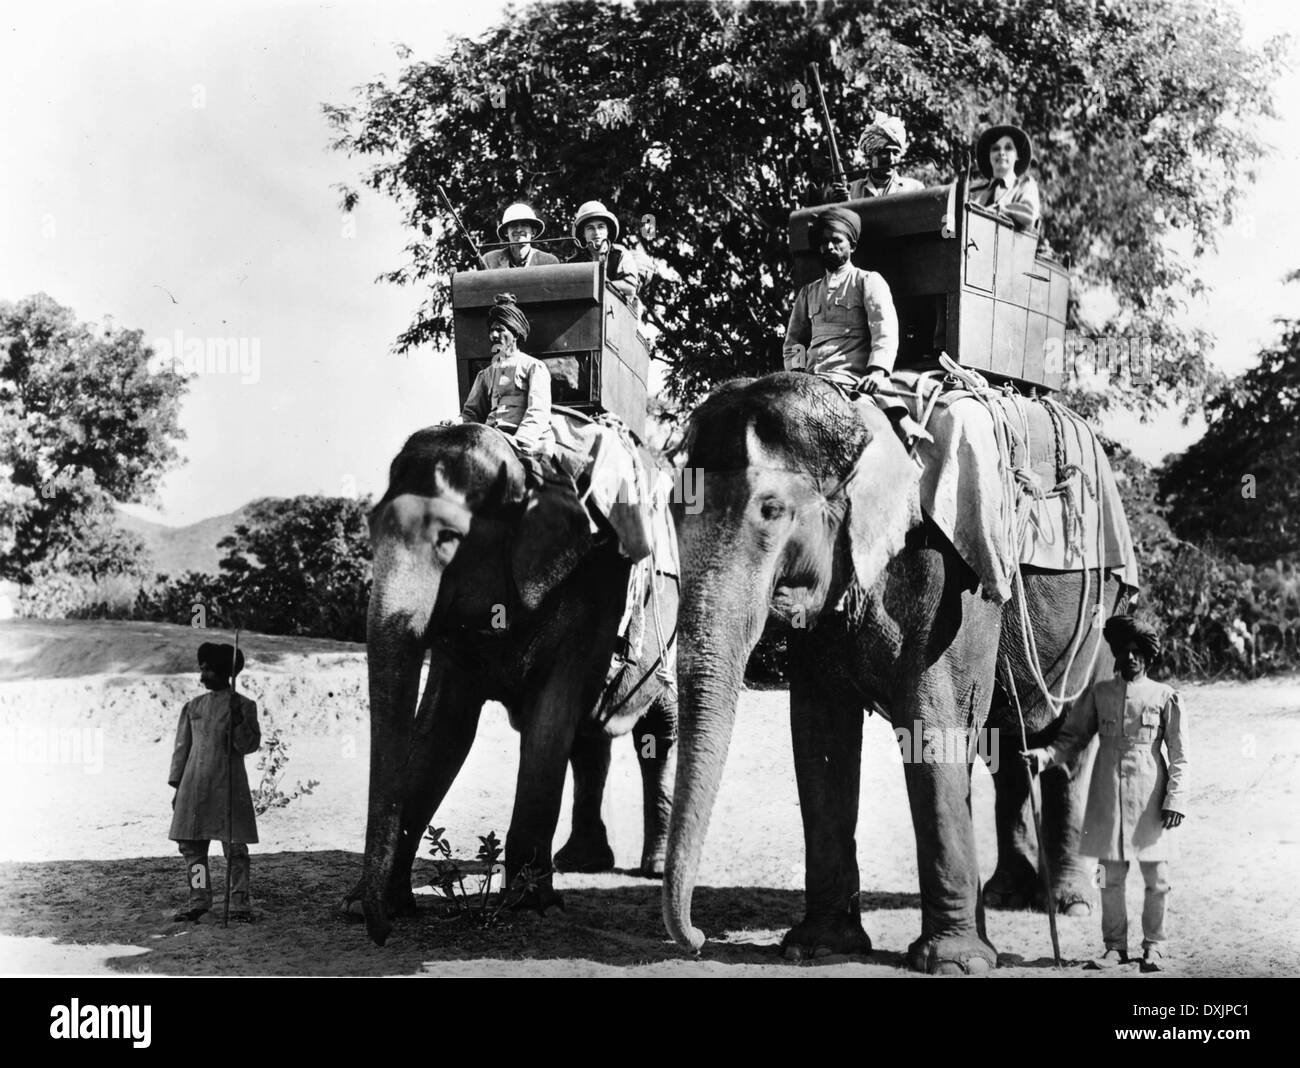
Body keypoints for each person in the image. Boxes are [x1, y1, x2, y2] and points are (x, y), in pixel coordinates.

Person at [1023, 615, 1189, 972]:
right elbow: (1071, 740)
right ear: (1115, 655)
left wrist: (1175, 799)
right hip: (1107, 797)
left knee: (1157, 880)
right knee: (1108, 879)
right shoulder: (1099, 694)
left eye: (1136, 652)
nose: (1129, 657)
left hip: (1150, 798)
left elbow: (1180, 755)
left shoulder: (1165, 696)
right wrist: (1044, 756)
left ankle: (1154, 946)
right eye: (1123, 651)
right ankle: (1114, 947)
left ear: (1146, 656)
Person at [168, 642, 261, 923]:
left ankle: (240, 904)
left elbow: (248, 745)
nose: (203, 673)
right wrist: (177, 788)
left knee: (235, 849)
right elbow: (181, 750)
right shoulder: (193, 707)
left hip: (228, 787)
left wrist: (237, 719)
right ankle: (199, 901)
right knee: (193, 849)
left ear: (224, 671)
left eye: (209, 668)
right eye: (202, 667)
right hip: (193, 788)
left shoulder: (244, 705)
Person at [783, 205, 898, 389]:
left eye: (837, 241)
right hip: (811, 381)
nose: (829, 247)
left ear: (851, 245)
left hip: (852, 380)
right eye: (824, 241)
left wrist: (877, 372)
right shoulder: (808, 292)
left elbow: (884, 330)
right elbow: (795, 340)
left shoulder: (867, 281)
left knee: (892, 414)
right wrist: (797, 374)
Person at [461, 292, 555, 457]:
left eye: (500, 329)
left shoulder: (533, 367)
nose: (493, 335)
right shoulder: (486, 374)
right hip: (490, 438)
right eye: (491, 330)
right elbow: (471, 413)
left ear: (516, 334)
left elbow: (538, 410)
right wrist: (456, 424)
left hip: (525, 442)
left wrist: (520, 442)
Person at [814, 111, 925, 204]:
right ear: (869, 156)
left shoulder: (915, 189)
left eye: (895, 152)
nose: (891, 159)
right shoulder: (850, 190)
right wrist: (837, 202)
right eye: (884, 152)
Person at [968, 123, 1042, 232]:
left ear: (1017, 156)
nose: (1001, 153)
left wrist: (1000, 211)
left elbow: (1027, 217)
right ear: (989, 156)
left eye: (1008, 148)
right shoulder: (974, 191)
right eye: (995, 148)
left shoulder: (1024, 186)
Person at [566, 200, 643, 304]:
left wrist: (598, 285)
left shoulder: (619, 254)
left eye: (601, 227)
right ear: (583, 234)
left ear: (607, 231)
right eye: (590, 228)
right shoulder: (574, 262)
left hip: (617, 311)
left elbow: (629, 287)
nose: (596, 233)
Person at [482, 203, 561, 269]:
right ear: (506, 232)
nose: (519, 230)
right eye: (514, 225)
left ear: (533, 231)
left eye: (524, 225)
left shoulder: (549, 262)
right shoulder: (489, 261)